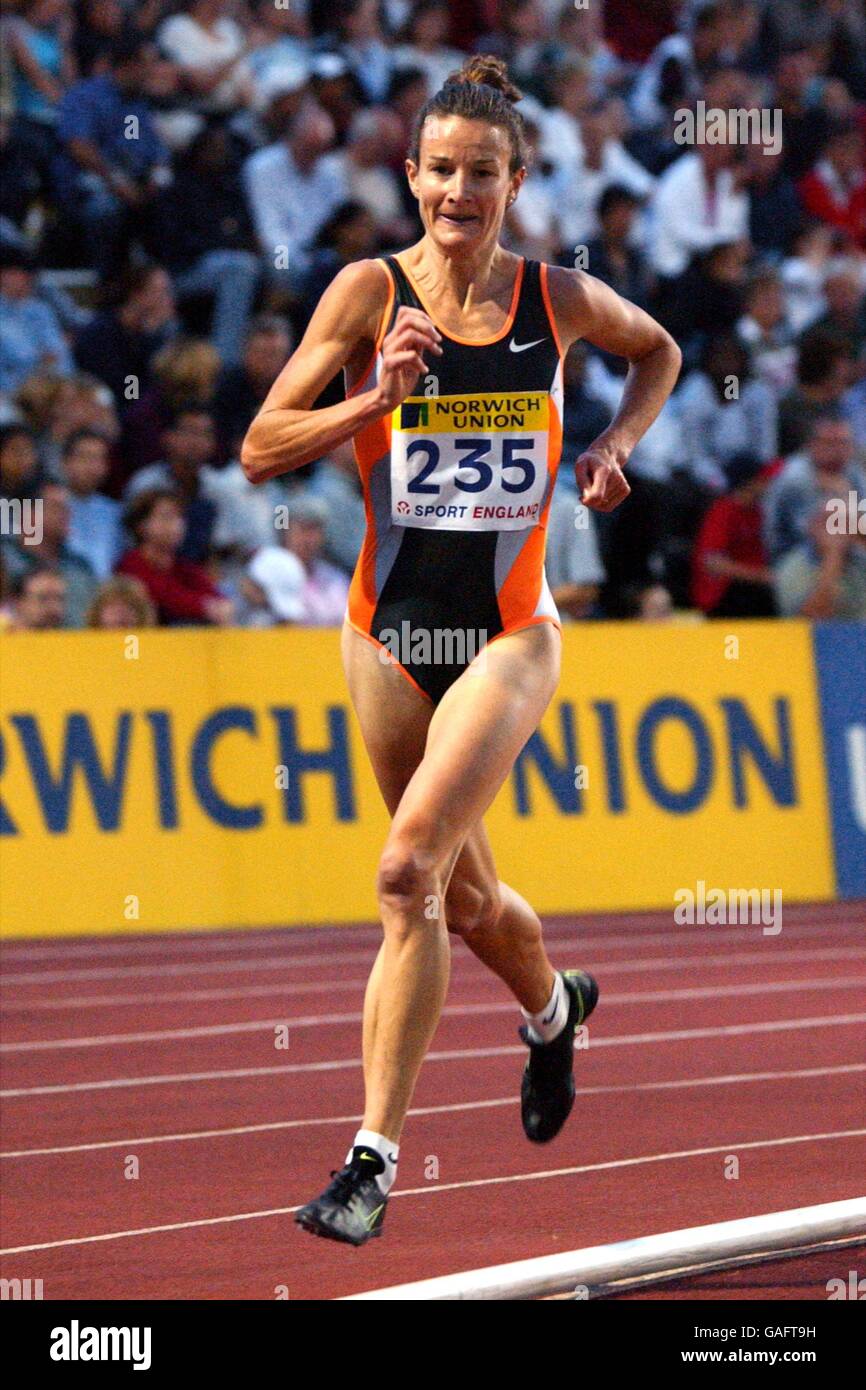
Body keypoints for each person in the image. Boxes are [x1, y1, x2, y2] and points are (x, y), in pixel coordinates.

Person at [241, 55, 681, 1246]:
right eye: (439, 170)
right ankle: (551, 1009)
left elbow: (661, 352)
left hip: (507, 635)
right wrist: (365, 402)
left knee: (403, 876)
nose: (458, 191)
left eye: (480, 173)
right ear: (411, 175)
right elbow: (259, 446)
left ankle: (371, 1162)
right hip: (383, 635)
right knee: (467, 896)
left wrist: (612, 443)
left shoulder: (557, 299)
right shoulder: (363, 293)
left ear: (514, 180)